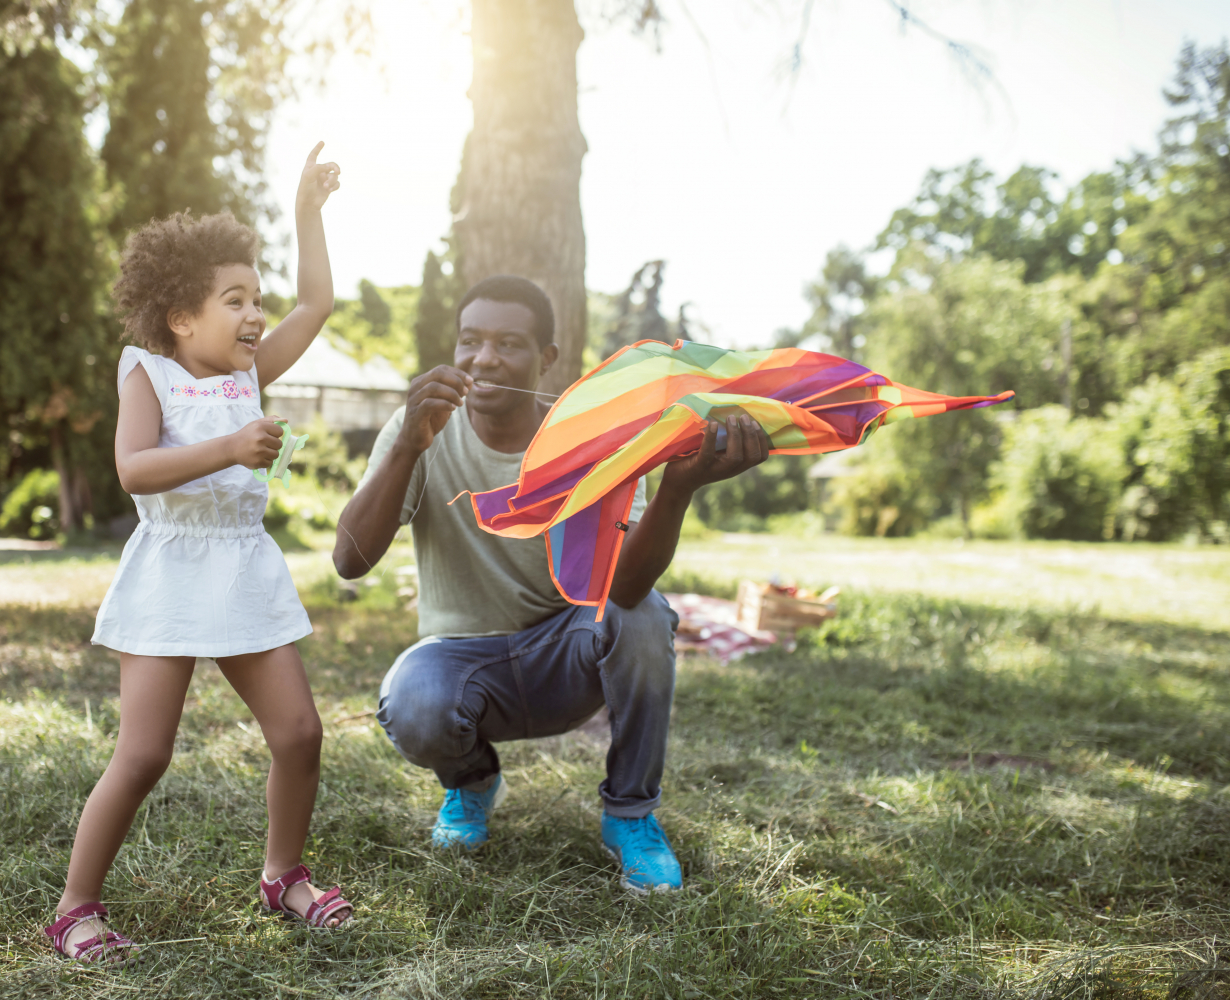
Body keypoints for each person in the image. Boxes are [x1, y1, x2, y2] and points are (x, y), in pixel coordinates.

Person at [332, 275, 771, 893]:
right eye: (470, 341)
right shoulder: (420, 432)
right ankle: (473, 784)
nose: (484, 359)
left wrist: (678, 487)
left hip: (567, 654)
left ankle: (631, 816)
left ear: (545, 360)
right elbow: (349, 562)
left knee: (644, 615)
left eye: (508, 344)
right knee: (414, 702)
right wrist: (408, 444)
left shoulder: (594, 439)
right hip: (463, 662)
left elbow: (624, 590)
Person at [44, 144, 352, 965]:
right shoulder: (149, 372)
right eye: (235, 300)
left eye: (256, 298)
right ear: (182, 316)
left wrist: (306, 214)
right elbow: (134, 469)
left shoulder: (251, 373)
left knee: (299, 733)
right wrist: (226, 447)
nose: (255, 315)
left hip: (243, 566)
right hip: (172, 569)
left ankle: (282, 875)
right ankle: (75, 909)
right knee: (144, 753)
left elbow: (318, 302)